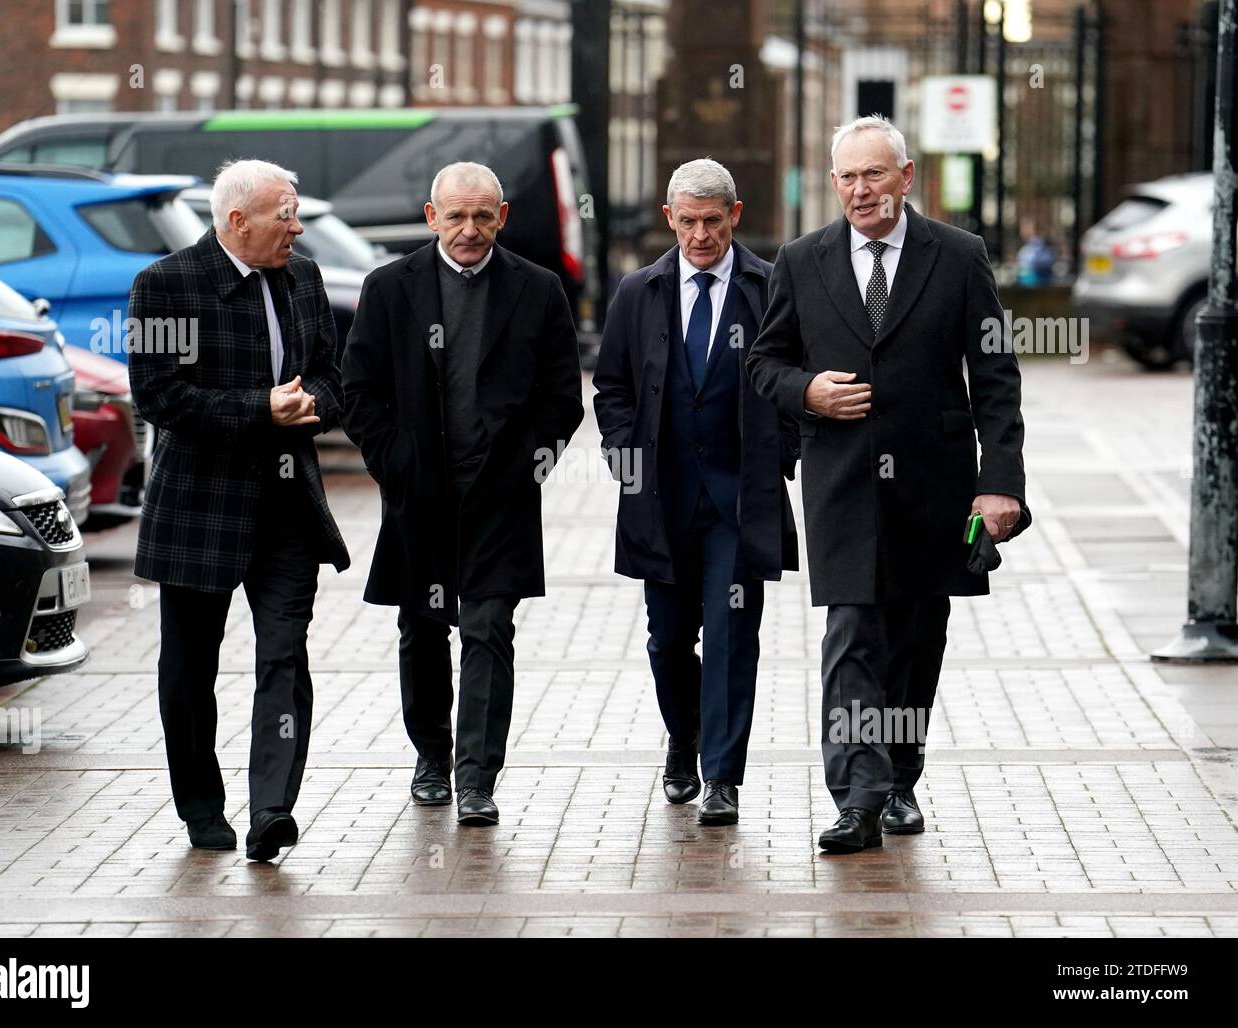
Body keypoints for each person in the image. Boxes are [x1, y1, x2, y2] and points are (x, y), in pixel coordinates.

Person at [747, 116, 1026, 853]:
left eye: (876, 174)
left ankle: (902, 775)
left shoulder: (960, 256)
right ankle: (857, 797)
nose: (862, 190)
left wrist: (1000, 484)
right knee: (852, 632)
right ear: (833, 182)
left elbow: (995, 379)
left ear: (907, 177)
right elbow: (763, 362)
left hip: (932, 485)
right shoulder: (803, 259)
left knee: (914, 637)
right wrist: (807, 391)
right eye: (849, 177)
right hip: (840, 483)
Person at [341, 161, 584, 826]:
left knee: (487, 631)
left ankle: (477, 776)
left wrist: (523, 468)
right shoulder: (390, 288)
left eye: (483, 216)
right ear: (431, 217)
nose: (469, 230)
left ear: (502, 217)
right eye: (456, 216)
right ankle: (431, 758)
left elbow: (563, 399)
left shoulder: (536, 290)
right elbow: (357, 390)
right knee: (421, 631)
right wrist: (394, 462)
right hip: (419, 498)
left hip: (499, 501)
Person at [129, 158, 350, 862]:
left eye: (296, 212)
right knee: (191, 666)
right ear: (236, 222)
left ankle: (272, 811)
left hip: (288, 505)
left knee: (284, 654)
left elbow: (330, 378)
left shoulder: (305, 277)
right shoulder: (163, 285)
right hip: (198, 509)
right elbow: (158, 396)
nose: (297, 225)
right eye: (285, 213)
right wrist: (261, 409)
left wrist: (312, 401)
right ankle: (201, 806)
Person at [593, 159, 799, 825]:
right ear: (669, 219)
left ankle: (723, 777)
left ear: (735, 216)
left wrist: (781, 455)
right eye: (688, 222)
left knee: (735, 636)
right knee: (667, 640)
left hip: (740, 504)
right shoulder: (638, 293)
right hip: (661, 500)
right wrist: (626, 459)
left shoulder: (769, 289)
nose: (701, 235)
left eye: (713, 221)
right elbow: (613, 389)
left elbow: (794, 379)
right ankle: (682, 740)